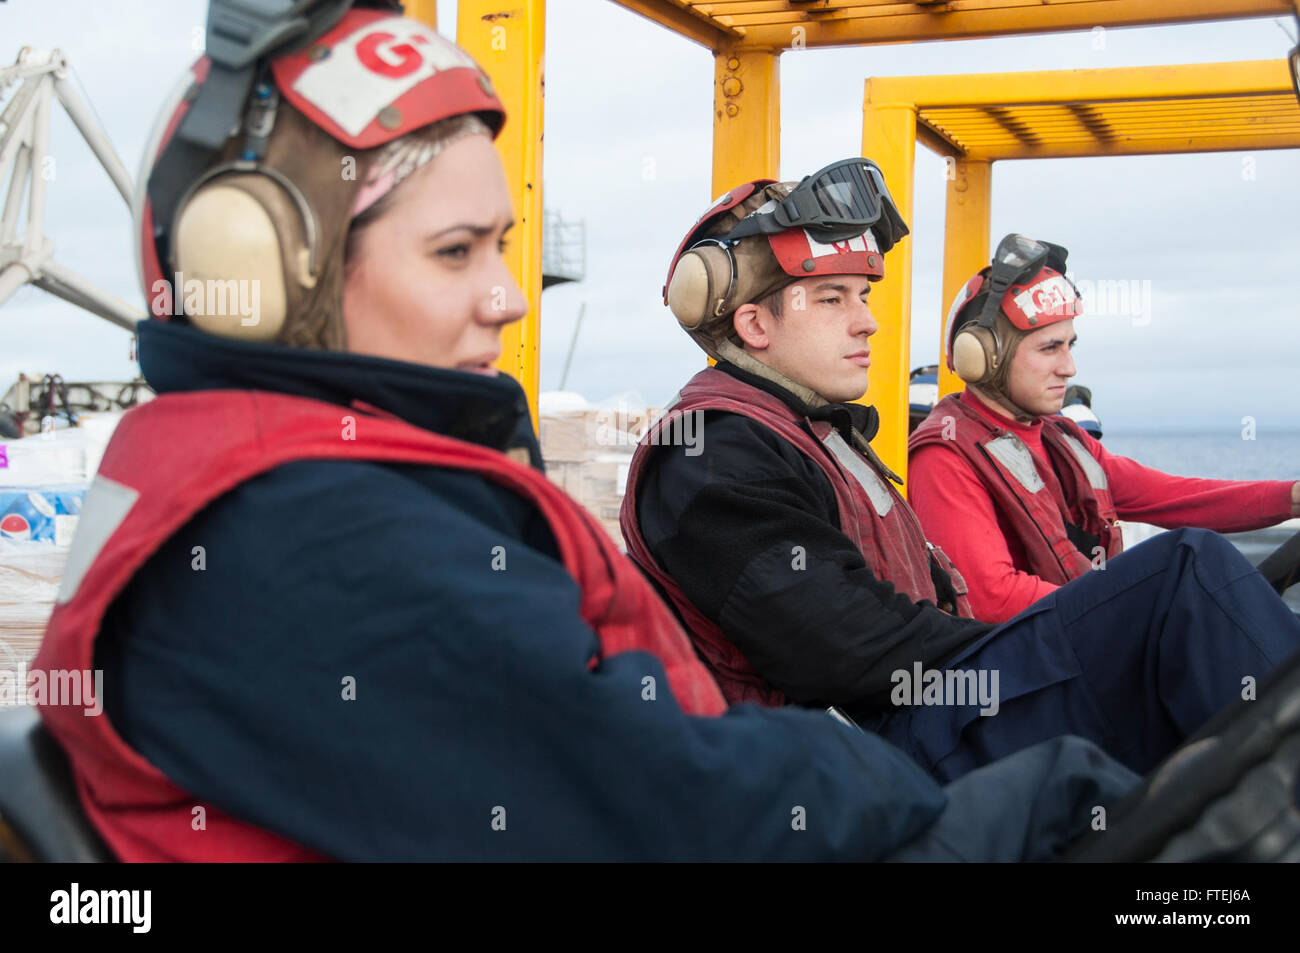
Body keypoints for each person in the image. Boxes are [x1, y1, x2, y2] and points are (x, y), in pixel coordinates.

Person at [29, 3, 1136, 862]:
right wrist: (891, 777)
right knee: (1078, 797)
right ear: (259, 272)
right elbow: (665, 803)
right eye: (455, 251)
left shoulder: (257, 471)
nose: (509, 299)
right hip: (720, 805)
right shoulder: (317, 527)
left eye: (502, 247)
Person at [620, 164, 1300, 784]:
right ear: (753, 324)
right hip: (892, 747)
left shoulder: (809, 434)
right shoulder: (713, 454)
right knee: (1184, 571)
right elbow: (846, 647)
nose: (868, 322)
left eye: (862, 295)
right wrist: (1056, 644)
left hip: (933, 709)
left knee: (1194, 612)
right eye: (832, 299)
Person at [908, 236, 1300, 622]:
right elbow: (991, 597)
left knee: (1197, 555)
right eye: (1049, 348)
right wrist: (1143, 606)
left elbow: (1175, 497)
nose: (1068, 368)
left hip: (1088, 649)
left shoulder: (1063, 441)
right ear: (983, 357)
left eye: (1069, 346)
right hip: (1035, 671)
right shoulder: (944, 455)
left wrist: (1292, 497)